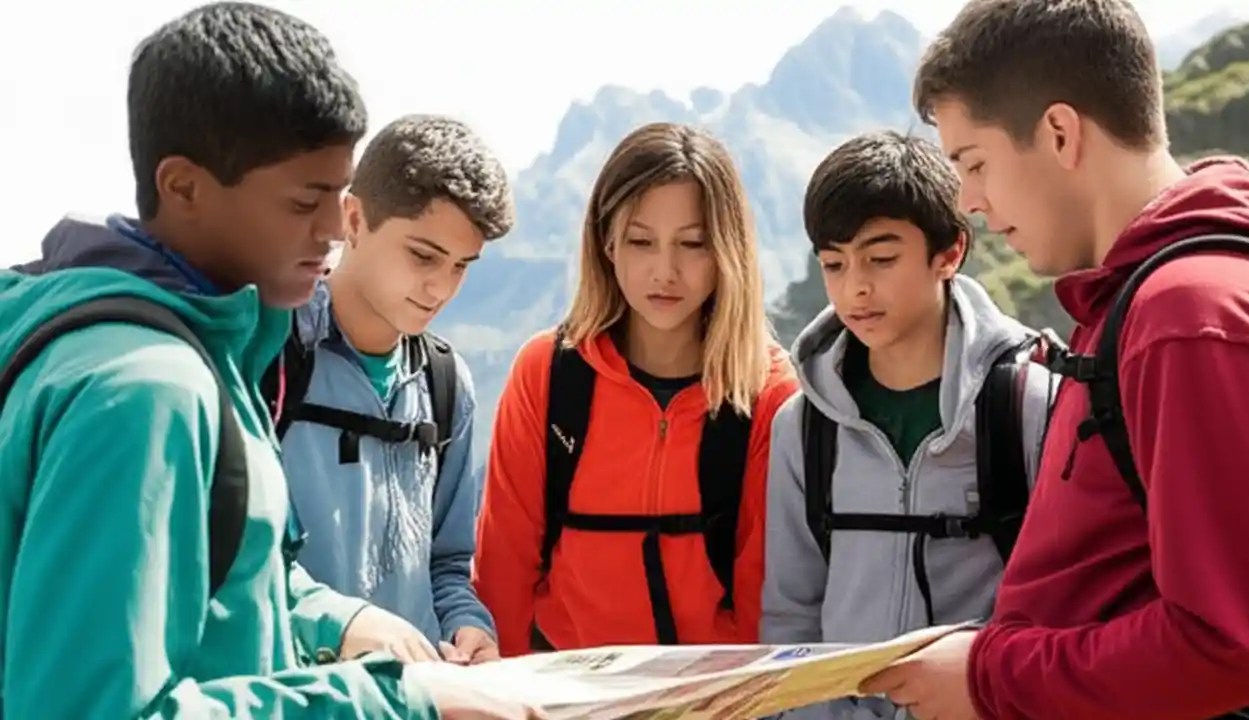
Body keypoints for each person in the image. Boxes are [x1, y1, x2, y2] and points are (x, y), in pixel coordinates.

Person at [0, 3, 537, 718]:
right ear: (183, 186)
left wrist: (332, 617)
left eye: (336, 195)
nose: (329, 230)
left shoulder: (199, 349)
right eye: (304, 201)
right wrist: (388, 703)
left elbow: (227, 582)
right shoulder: (144, 391)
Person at [860, 1, 1249, 719]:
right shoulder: (1137, 299)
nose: (970, 201)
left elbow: (1238, 639)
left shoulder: (1188, 318)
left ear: (1058, 132)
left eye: (974, 162)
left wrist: (988, 677)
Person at [473, 122, 799, 656]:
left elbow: (763, 601)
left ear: (726, 252)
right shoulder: (547, 374)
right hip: (559, 700)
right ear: (607, 244)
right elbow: (502, 574)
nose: (664, 271)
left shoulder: (768, 395)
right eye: (641, 241)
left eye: (692, 244)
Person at [761, 130, 1055, 720]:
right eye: (834, 264)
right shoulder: (804, 426)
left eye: (881, 258)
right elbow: (790, 616)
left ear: (949, 253)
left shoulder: (1029, 405)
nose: (856, 287)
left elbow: (1062, 613)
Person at [269, 114, 513, 665]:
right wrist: (343, 622)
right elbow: (228, 563)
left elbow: (447, 565)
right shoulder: (268, 358)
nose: (441, 287)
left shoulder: (448, 385)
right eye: (423, 256)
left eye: (462, 266)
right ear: (353, 219)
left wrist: (469, 624)